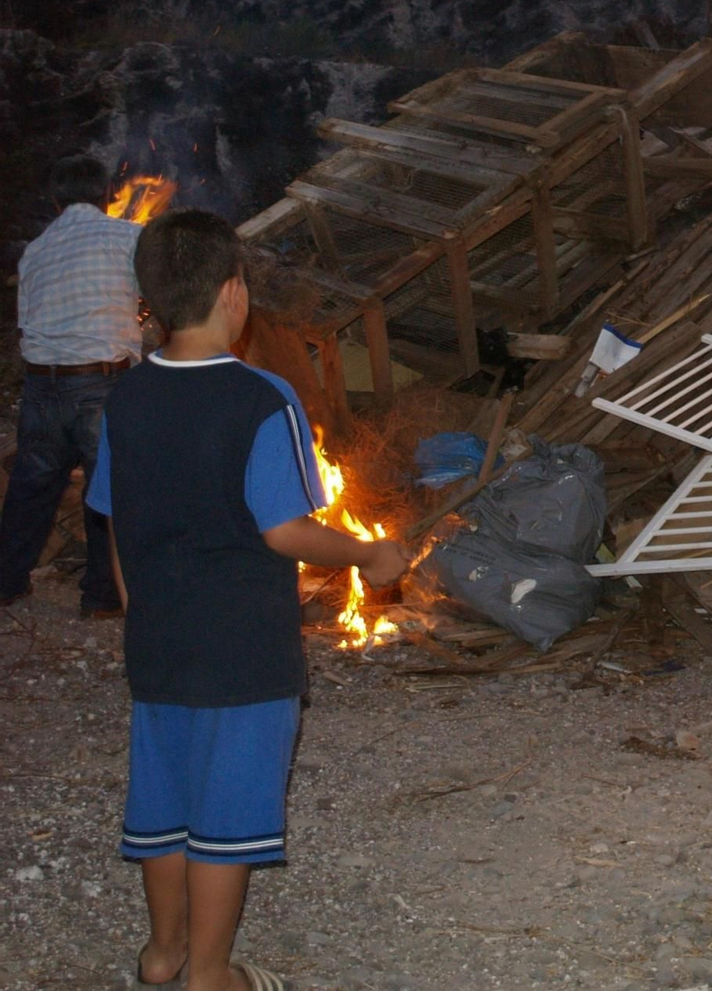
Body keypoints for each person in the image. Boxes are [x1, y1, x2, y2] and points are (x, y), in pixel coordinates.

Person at [88, 209, 409, 991]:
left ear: (150, 297)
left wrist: (139, 610)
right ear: (235, 293)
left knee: (165, 803)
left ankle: (162, 953)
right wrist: (369, 554)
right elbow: (286, 530)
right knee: (225, 817)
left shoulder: (125, 398)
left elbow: (117, 522)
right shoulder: (263, 398)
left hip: (158, 643)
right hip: (244, 653)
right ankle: (210, 974)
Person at [0, 155, 139, 616]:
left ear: (56, 201)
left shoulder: (35, 250)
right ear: (108, 195)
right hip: (99, 380)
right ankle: (101, 597)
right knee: (106, 489)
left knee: (30, 487)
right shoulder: (128, 236)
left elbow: (26, 323)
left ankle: (7, 582)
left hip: (41, 383)